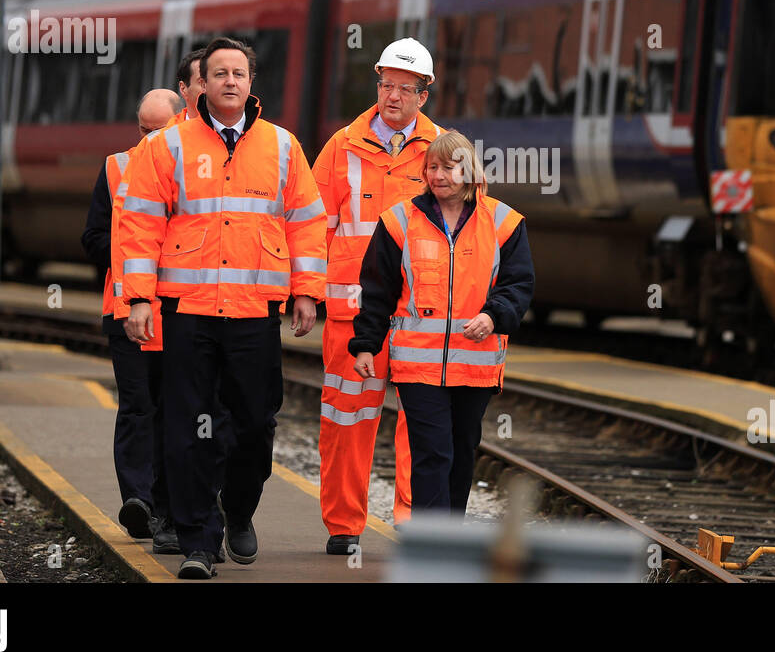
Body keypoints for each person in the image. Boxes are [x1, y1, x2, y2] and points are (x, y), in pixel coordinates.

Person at [120, 37, 327, 579]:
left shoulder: (282, 147)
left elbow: (307, 223)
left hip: (255, 313)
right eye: (219, 73)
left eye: (239, 72)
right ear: (201, 85)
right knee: (189, 429)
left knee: (256, 425)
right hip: (187, 312)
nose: (230, 80)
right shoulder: (168, 147)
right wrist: (139, 298)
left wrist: (307, 290)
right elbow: (139, 224)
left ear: (251, 83)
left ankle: (238, 509)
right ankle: (198, 542)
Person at [349, 131, 534, 516]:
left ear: (469, 171)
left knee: (462, 450)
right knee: (432, 451)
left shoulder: (503, 222)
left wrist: (493, 315)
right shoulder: (400, 221)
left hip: (475, 365)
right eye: (432, 167)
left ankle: (448, 539)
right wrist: (366, 344)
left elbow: (519, 284)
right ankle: (431, 547)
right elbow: (378, 289)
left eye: (448, 167)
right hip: (417, 367)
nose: (438, 175)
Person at [313, 37, 442, 556]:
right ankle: (344, 524)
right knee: (348, 419)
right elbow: (310, 224)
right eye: (386, 84)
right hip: (352, 313)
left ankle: (415, 525)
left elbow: (467, 233)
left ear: (424, 95)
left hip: (421, 315)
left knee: (422, 424)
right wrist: (305, 291)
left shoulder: (444, 152)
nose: (392, 96)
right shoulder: (342, 146)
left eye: (404, 88)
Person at [80, 88, 184, 551]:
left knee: (176, 412)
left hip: (182, 313)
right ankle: (138, 501)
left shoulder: (192, 168)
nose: (147, 139)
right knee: (138, 408)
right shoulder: (115, 166)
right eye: (142, 129)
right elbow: (92, 237)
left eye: (157, 130)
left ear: (180, 123)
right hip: (126, 311)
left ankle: (167, 504)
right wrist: (129, 254)